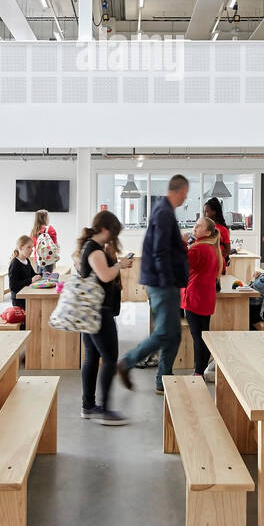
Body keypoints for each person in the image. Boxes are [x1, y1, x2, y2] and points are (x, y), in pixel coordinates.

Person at [117, 173, 189, 395]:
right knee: (164, 332)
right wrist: (168, 282)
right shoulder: (164, 213)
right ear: (177, 191)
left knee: (173, 334)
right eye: (185, 194)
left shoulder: (165, 212)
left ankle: (162, 380)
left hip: (166, 282)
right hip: (163, 283)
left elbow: (165, 245)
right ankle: (127, 362)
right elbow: (160, 251)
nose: (185, 199)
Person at [77, 211, 132, 425]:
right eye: (112, 233)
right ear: (106, 229)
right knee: (109, 358)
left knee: (91, 357)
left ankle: (89, 406)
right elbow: (105, 276)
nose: (112, 237)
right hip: (99, 312)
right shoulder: (94, 249)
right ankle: (105, 410)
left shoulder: (89, 247)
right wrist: (120, 265)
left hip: (89, 311)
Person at [183, 215, 221, 377]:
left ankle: (198, 372)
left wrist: (183, 243)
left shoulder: (198, 248)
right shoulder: (212, 248)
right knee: (203, 334)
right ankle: (201, 370)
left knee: (198, 337)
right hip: (206, 297)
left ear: (207, 232)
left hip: (195, 297)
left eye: (198, 226)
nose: (194, 228)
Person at [203, 197, 231, 277]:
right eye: (204, 212)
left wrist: (216, 256)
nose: (204, 214)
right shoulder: (204, 227)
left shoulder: (223, 229)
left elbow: (228, 250)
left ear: (214, 212)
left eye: (206, 212)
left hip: (218, 265)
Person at [7, 235, 37, 307]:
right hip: (19, 300)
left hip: (27, 294)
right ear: (20, 247)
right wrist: (30, 280)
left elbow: (33, 275)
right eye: (29, 247)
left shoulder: (27, 260)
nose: (32, 250)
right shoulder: (15, 264)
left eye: (32, 248)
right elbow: (13, 286)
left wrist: (43, 275)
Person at [31, 209, 60, 274]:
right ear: (45, 218)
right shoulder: (50, 229)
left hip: (38, 258)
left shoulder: (33, 231)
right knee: (47, 279)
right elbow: (54, 245)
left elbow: (33, 245)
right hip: (48, 258)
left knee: (40, 278)